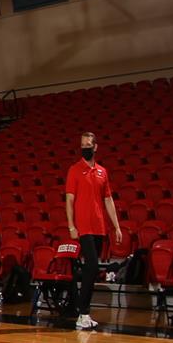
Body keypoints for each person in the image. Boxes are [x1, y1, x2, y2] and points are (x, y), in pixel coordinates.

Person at [64, 130, 123, 332]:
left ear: (95, 147)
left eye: (88, 146)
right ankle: (82, 311)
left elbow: (108, 199)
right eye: (82, 146)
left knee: (92, 268)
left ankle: (84, 312)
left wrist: (116, 226)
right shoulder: (74, 170)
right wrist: (71, 225)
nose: (85, 149)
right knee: (92, 264)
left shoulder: (102, 172)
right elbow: (69, 200)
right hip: (84, 227)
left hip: (99, 227)